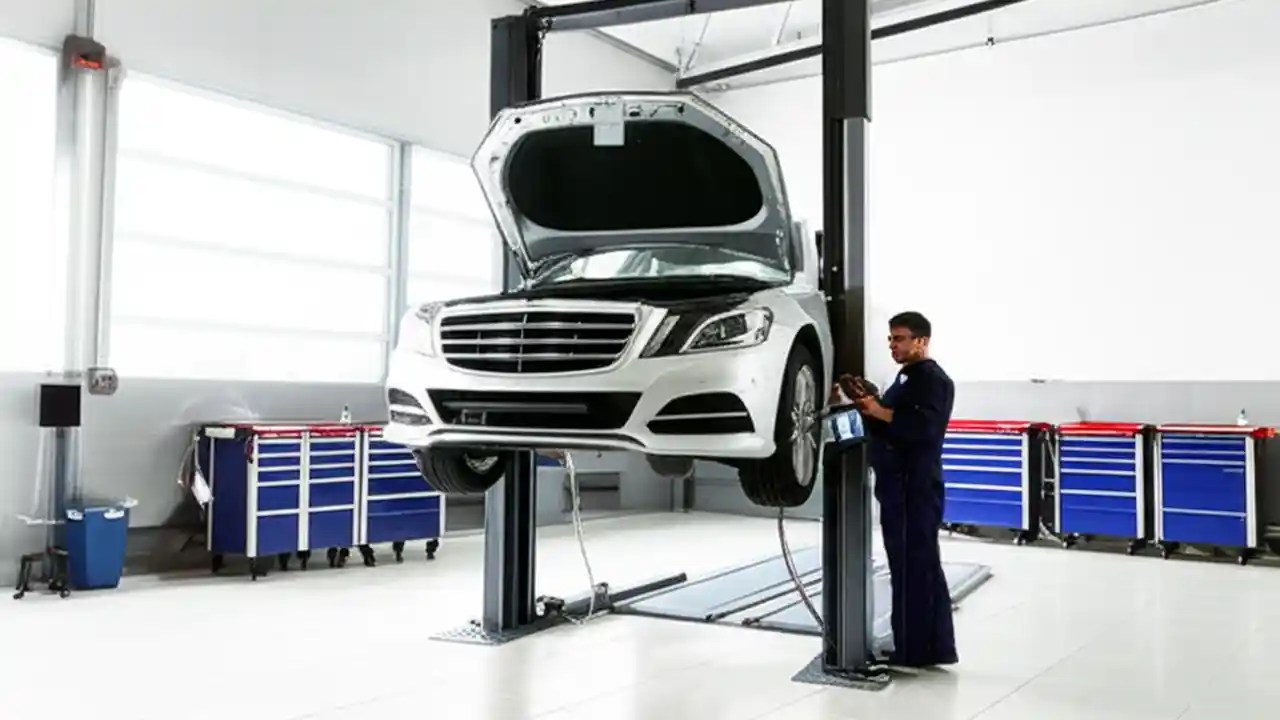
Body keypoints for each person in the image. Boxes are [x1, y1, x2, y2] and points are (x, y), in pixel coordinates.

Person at [835, 311, 957, 669]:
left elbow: (925, 428)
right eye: (890, 339)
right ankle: (927, 646)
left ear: (922, 341)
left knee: (914, 567)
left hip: (914, 488)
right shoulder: (906, 378)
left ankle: (915, 650)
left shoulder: (933, 379)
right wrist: (870, 404)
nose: (893, 345)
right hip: (899, 487)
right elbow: (893, 420)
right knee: (914, 566)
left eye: (900, 338)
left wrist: (880, 411)